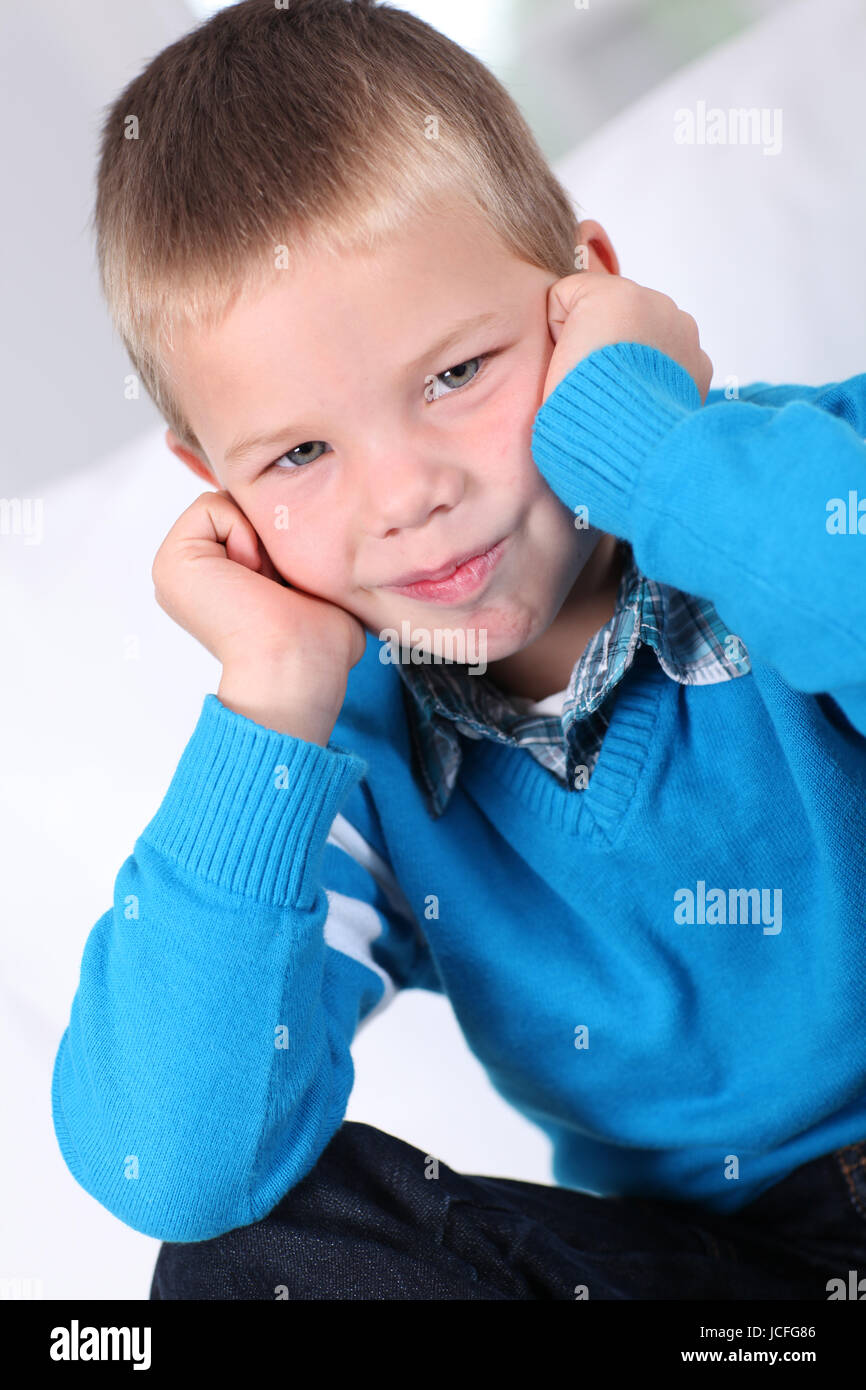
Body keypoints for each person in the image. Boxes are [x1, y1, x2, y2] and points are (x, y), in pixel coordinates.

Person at [52, 0, 866, 1299]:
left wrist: (648, 446)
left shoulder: (793, 486)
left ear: (589, 299)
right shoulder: (350, 768)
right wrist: (269, 692)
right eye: (300, 455)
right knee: (253, 1266)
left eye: (454, 375)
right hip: (735, 1289)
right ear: (217, 487)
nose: (405, 492)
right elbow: (170, 1160)